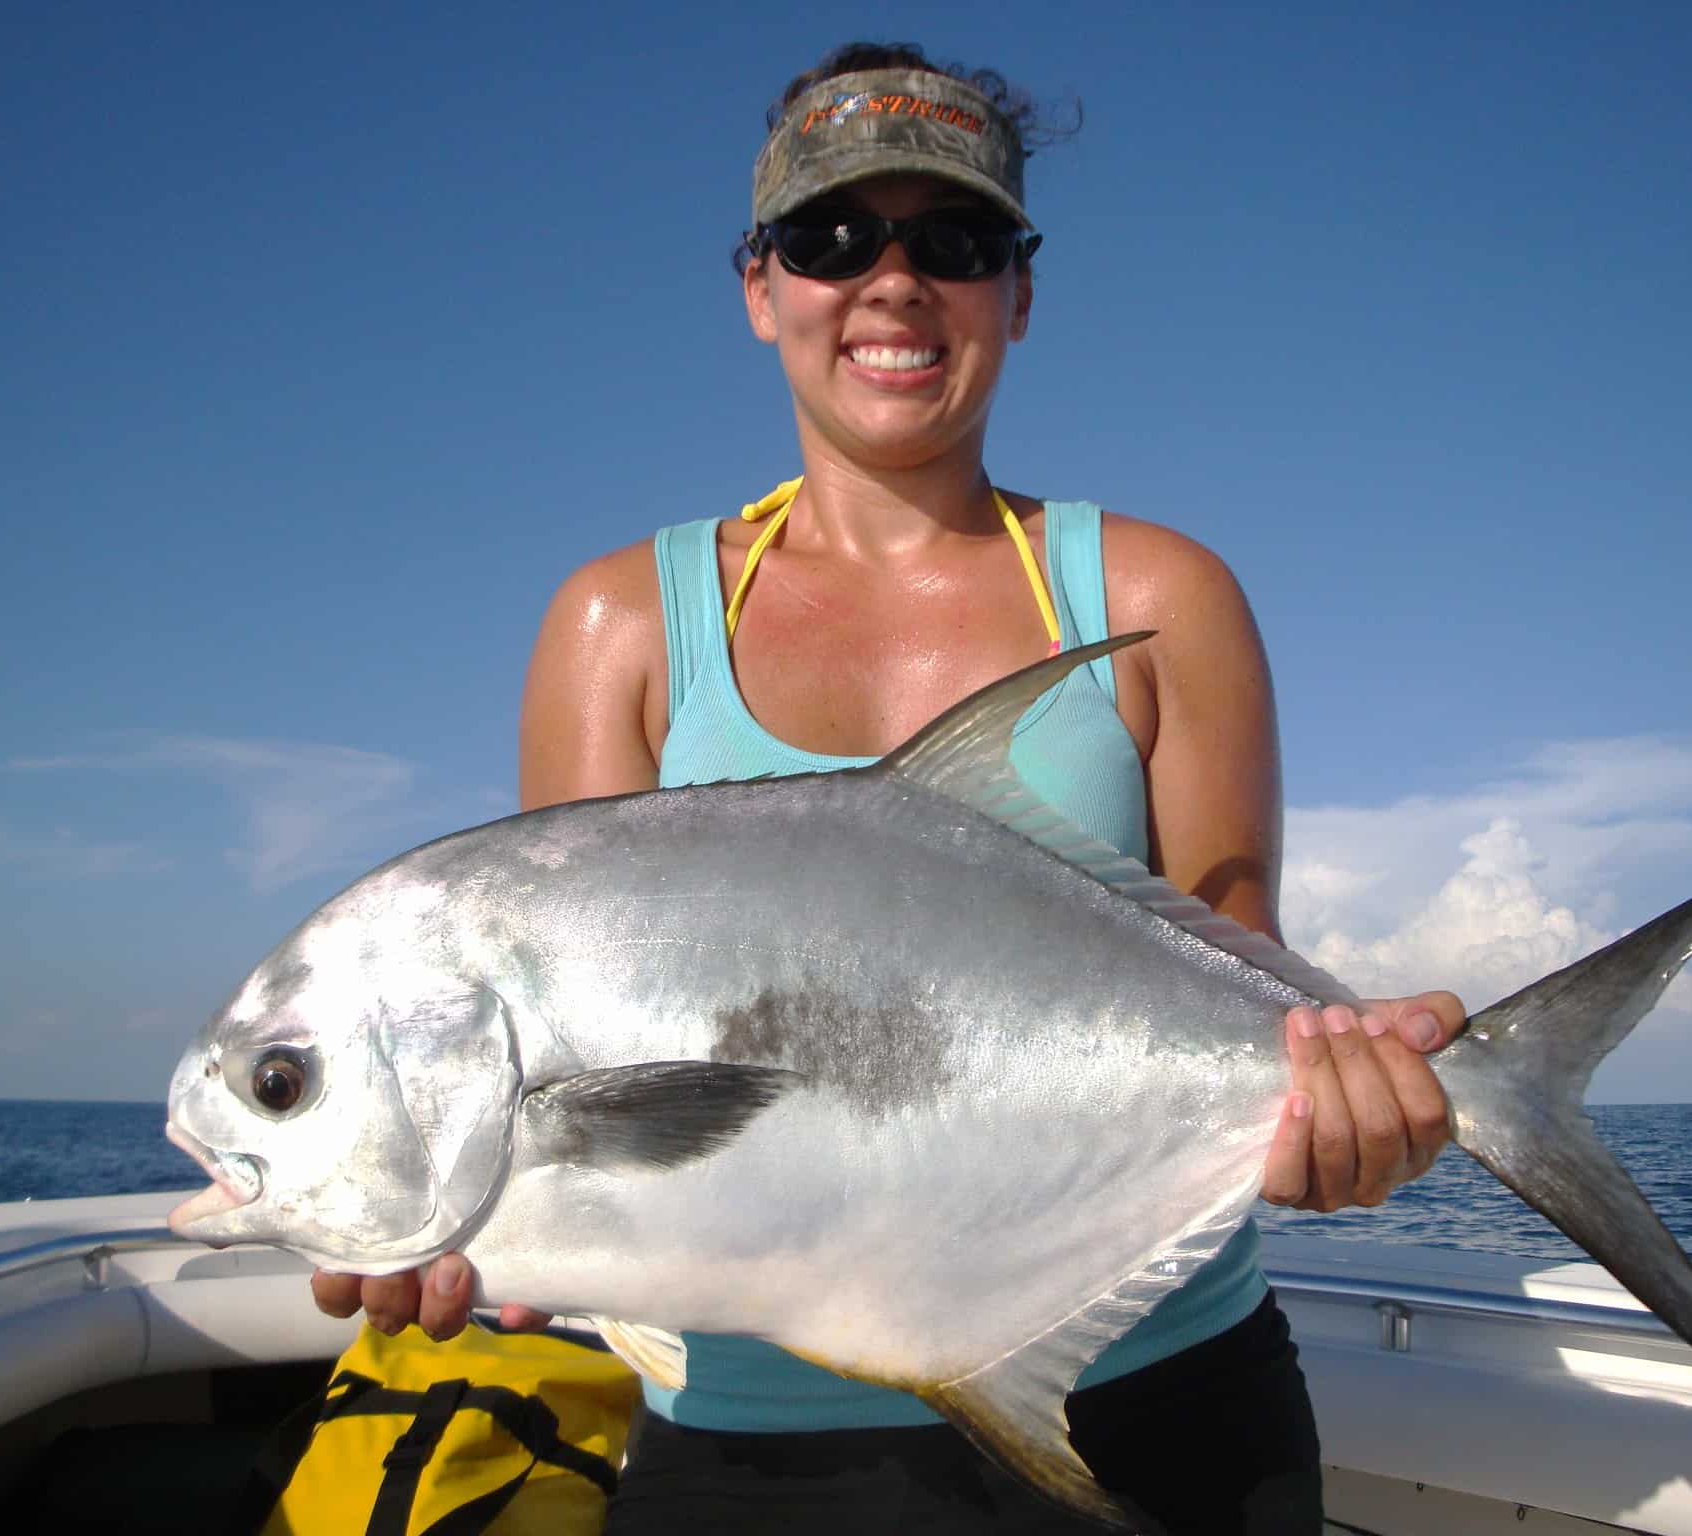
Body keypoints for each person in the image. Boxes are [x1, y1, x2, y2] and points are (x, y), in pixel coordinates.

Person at [313, 41, 1467, 1533]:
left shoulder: (1156, 597)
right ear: (759, 286)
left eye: (957, 240)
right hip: (746, 1449)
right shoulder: (621, 630)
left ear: (1020, 294)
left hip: (1171, 1406)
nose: (894, 281)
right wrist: (453, 1220)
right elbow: (559, 1083)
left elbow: (1239, 974)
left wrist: (1336, 1108)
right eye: (832, 236)